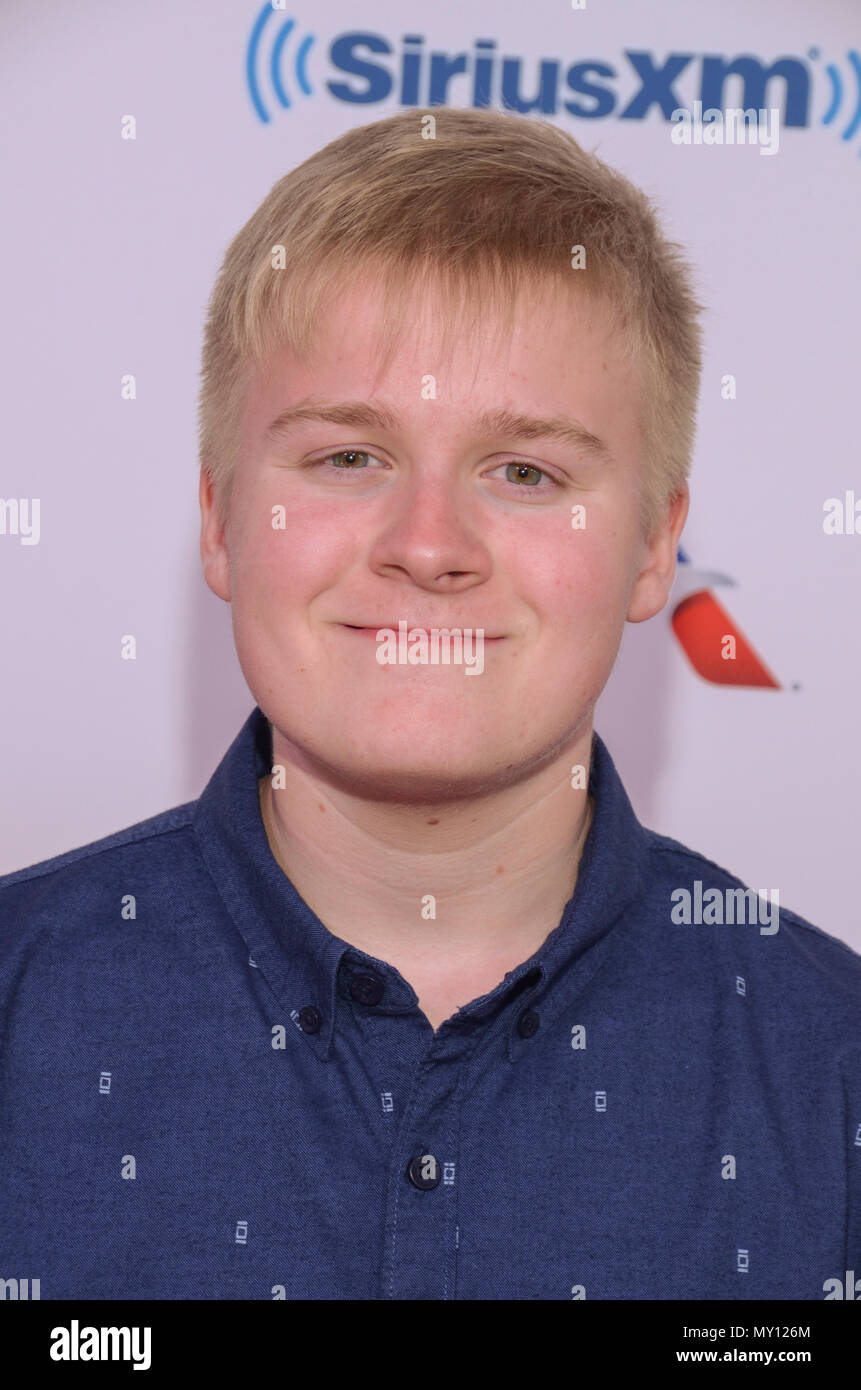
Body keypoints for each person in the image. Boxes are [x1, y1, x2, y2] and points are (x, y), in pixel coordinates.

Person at [1, 107, 858, 1302]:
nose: (429, 543)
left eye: (526, 472)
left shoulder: (832, 1070)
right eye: (351, 457)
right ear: (220, 518)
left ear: (655, 546)